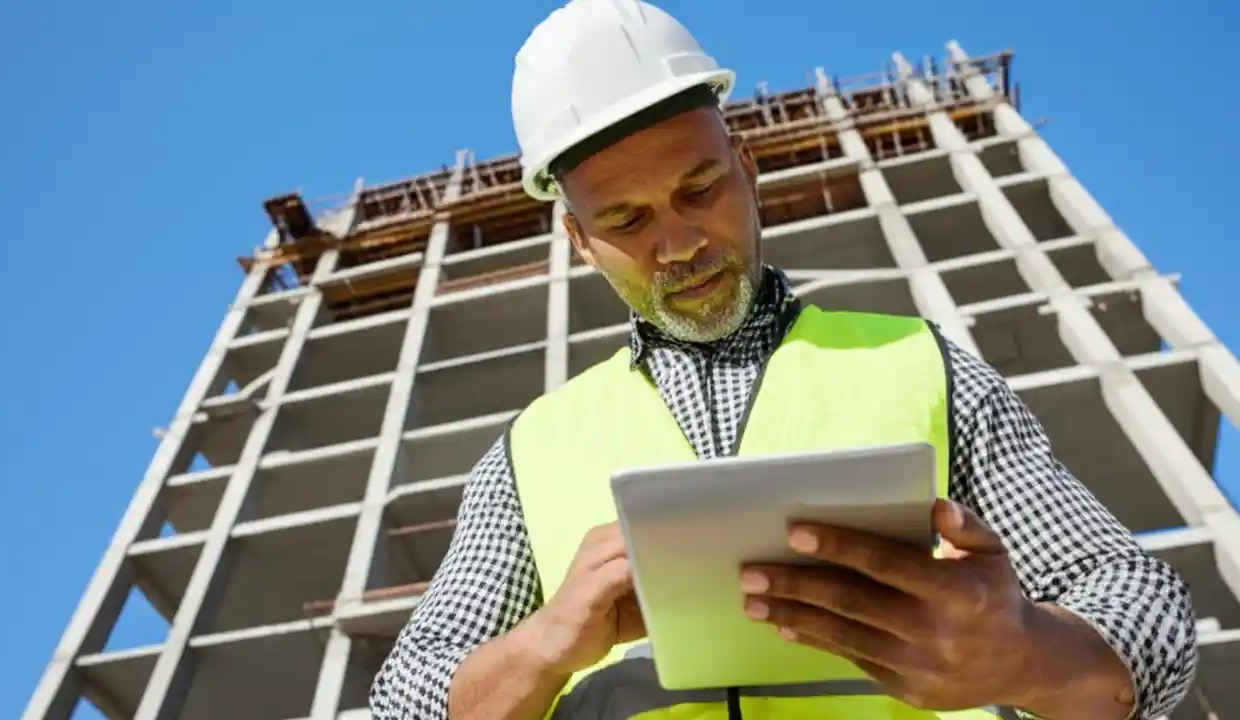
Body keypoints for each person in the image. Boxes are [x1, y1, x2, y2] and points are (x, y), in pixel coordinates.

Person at [370, 1, 1198, 718]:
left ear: (750, 170)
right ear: (579, 241)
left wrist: (1027, 655)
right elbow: (407, 700)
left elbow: (1143, 606)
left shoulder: (921, 365)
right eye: (625, 220)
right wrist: (547, 645)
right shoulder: (531, 453)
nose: (678, 242)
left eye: (700, 189)